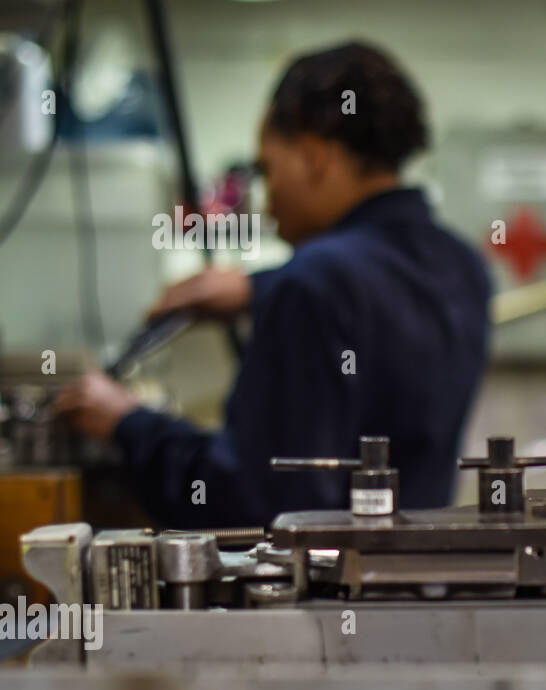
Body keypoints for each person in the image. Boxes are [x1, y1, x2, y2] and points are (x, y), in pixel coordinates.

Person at [55, 42, 491, 527]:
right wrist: (256, 289)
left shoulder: (313, 281)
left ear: (314, 157)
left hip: (323, 592)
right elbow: (377, 287)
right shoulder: (463, 265)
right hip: (424, 577)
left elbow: (254, 500)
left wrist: (128, 423)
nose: (267, 199)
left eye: (267, 169)